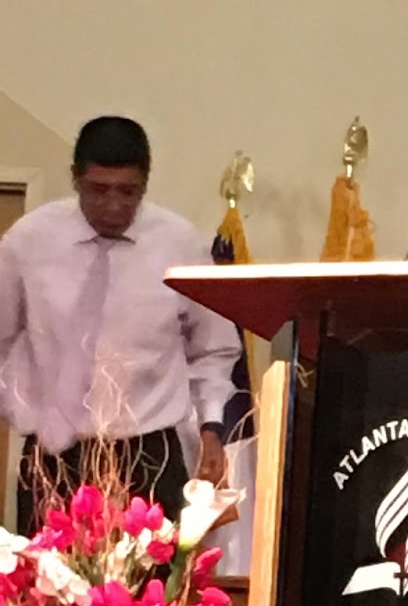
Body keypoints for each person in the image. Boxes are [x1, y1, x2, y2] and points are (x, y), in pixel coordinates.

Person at [0, 115, 242, 531]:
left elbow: (214, 347)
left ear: (145, 185)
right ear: (75, 180)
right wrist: (17, 407)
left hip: (149, 454)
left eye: (128, 192)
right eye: (98, 190)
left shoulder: (180, 243)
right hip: (56, 457)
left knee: (154, 592)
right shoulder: (28, 241)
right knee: (46, 593)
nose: (113, 206)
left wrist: (211, 427)